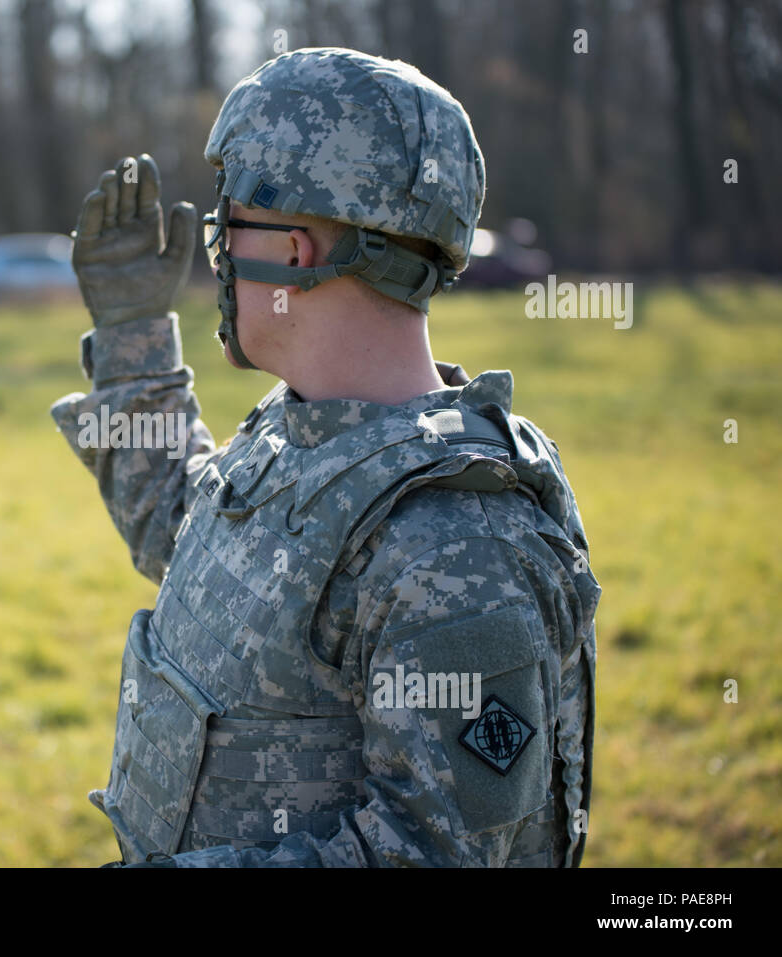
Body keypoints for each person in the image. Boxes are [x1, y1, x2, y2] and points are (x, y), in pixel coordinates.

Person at [50, 48, 601, 867]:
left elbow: (424, 856)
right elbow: (190, 533)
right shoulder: (305, 432)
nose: (219, 255)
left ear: (293, 250)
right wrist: (133, 339)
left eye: (229, 225)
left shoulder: (456, 540)